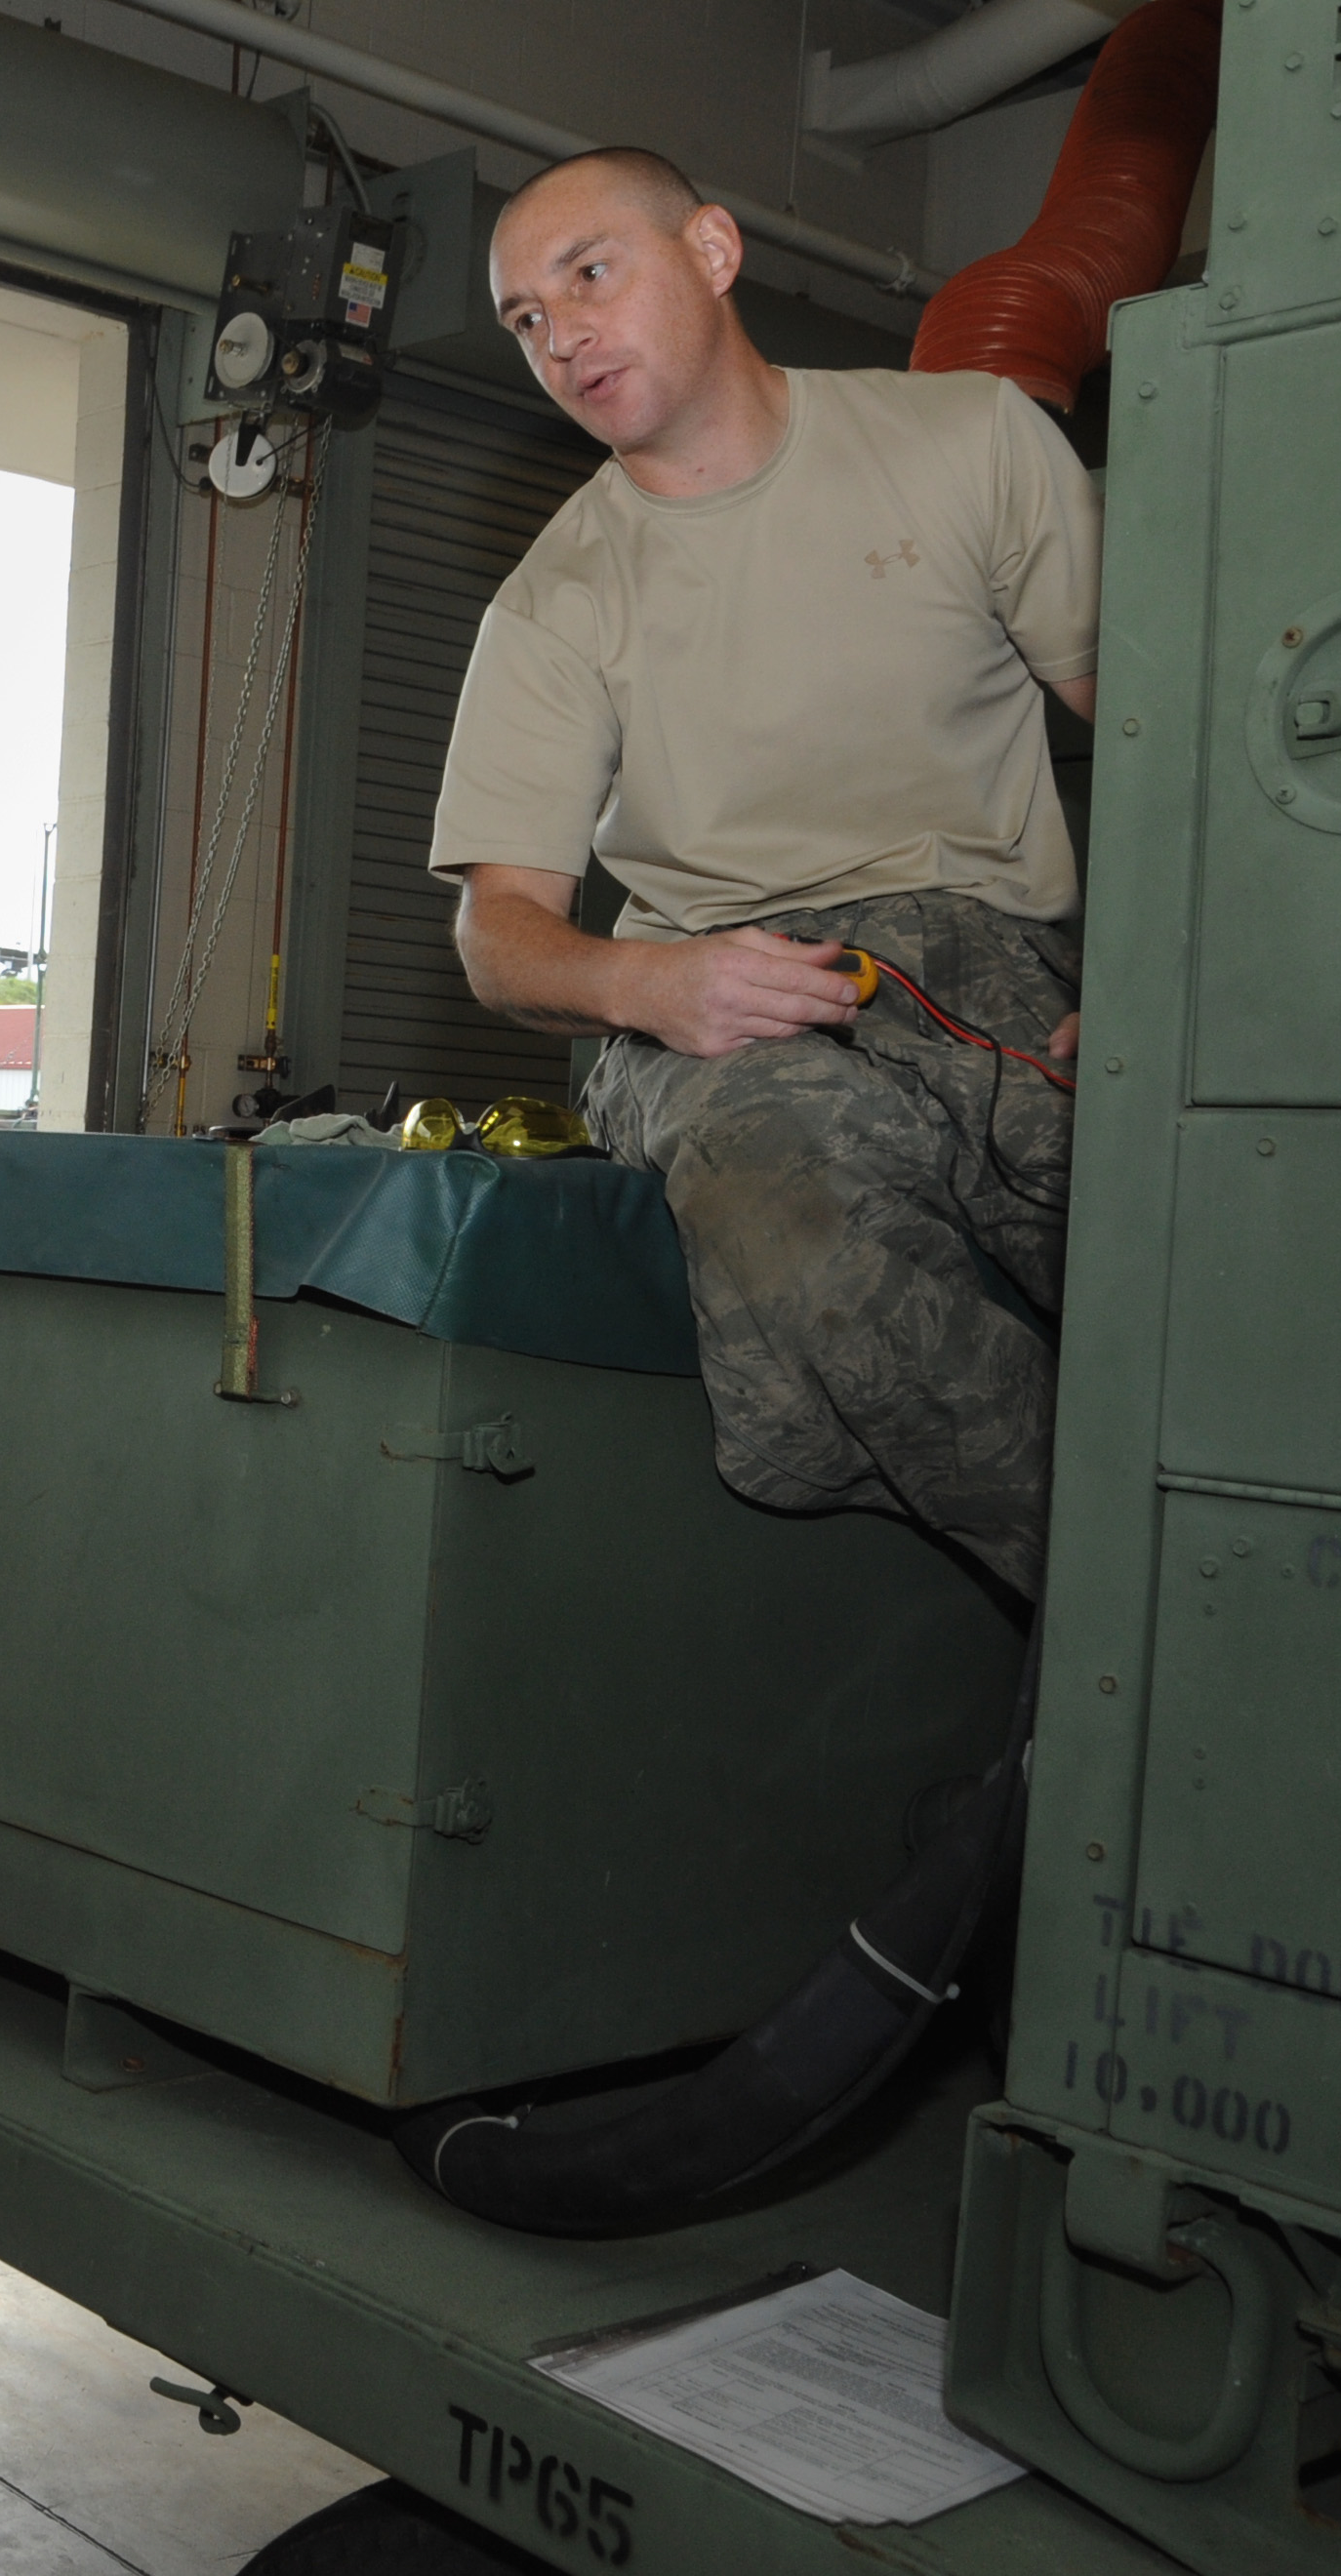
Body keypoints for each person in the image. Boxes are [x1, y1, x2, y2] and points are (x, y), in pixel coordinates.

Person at [430, 146, 1100, 1601]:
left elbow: (1185, 746)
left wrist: (1162, 991)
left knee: (1187, 1212)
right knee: (790, 1211)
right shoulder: (556, 600)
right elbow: (501, 933)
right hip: (716, 987)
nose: (560, 335)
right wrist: (648, 984)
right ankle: (1148, 1627)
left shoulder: (970, 444)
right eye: (524, 319)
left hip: (986, 958)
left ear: (716, 250)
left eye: (588, 275)